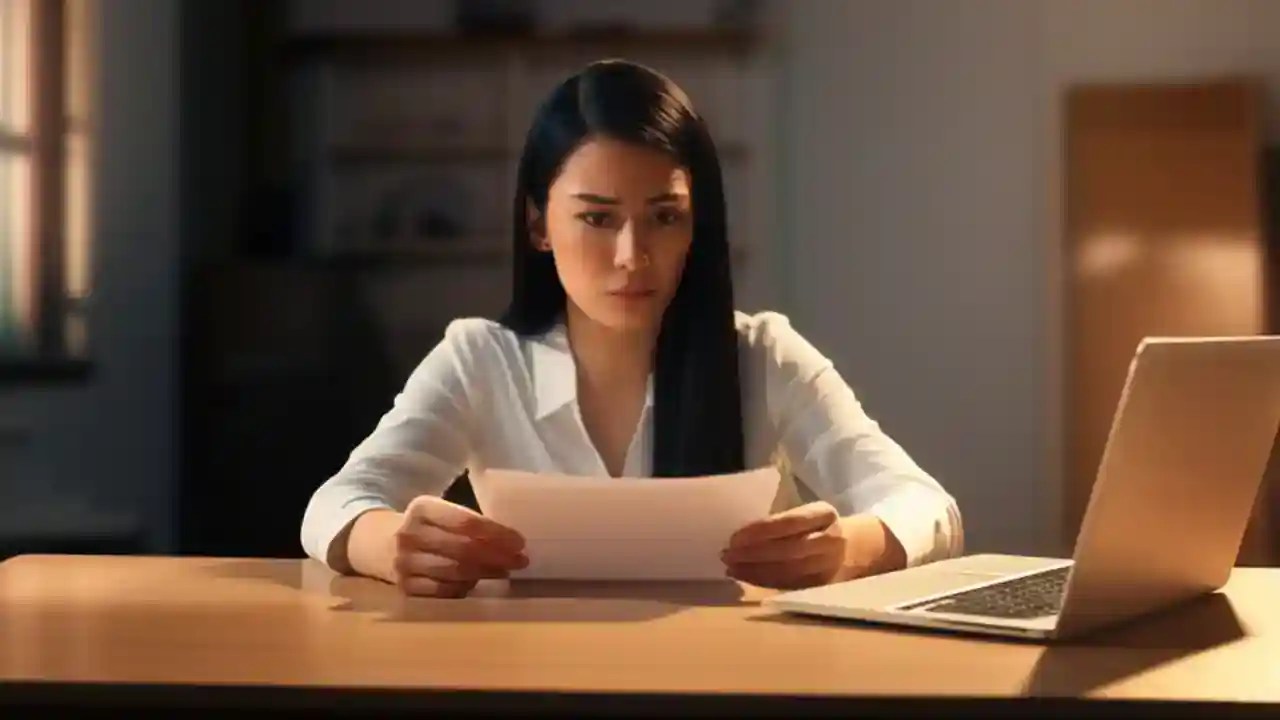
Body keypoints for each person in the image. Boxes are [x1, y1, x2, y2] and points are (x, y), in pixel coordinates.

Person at [300, 59, 962, 597]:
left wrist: (849, 548)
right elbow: (339, 501)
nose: (632, 256)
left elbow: (924, 504)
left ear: (696, 225)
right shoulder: (480, 361)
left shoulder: (762, 356)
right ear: (538, 224)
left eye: (664, 217)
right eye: (597, 218)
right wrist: (388, 543)